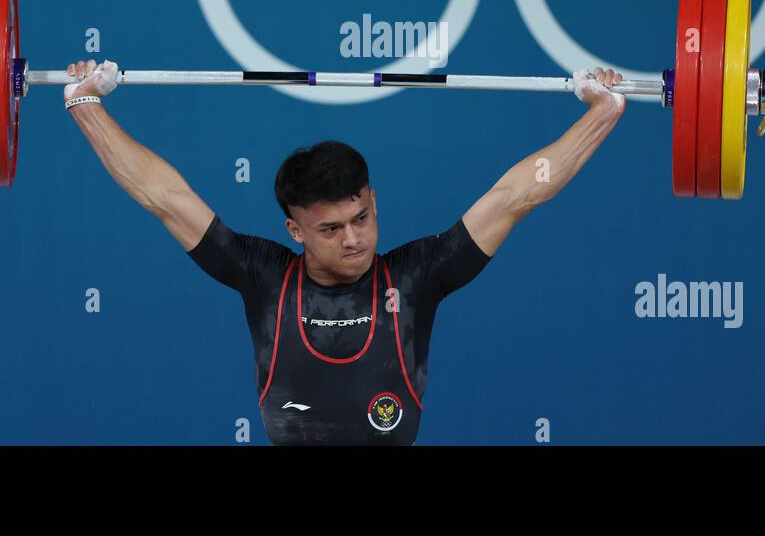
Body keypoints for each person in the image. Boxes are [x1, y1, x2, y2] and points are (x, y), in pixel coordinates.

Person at [63, 59, 627, 444]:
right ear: (295, 230)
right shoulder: (261, 274)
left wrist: (600, 113)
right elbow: (164, 197)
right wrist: (86, 104)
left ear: (374, 201)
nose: (354, 238)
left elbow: (515, 195)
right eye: (330, 229)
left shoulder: (417, 276)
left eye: (362, 218)